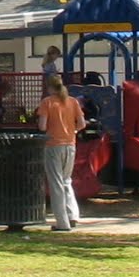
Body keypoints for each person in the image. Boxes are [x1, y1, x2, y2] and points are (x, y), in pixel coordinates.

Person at [35, 74, 86, 231]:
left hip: (53, 145)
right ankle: (72, 215)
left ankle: (62, 222)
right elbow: (82, 124)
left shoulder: (47, 102)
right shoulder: (73, 101)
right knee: (66, 180)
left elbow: (42, 127)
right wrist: (73, 130)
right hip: (70, 144)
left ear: (49, 87)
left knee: (55, 183)